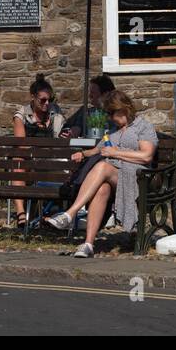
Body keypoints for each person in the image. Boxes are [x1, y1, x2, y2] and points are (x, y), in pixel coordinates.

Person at [43, 90, 158, 258]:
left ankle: (70, 213)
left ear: (123, 108)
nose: (110, 118)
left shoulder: (143, 126)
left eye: (111, 113)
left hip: (140, 178)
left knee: (103, 167)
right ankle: (88, 243)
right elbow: (98, 150)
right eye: (108, 114)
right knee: (102, 189)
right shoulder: (113, 130)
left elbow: (146, 156)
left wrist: (116, 153)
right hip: (116, 177)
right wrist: (83, 154)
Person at [11, 73, 70, 226]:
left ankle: (60, 214)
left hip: (51, 160)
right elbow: (21, 144)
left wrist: (66, 134)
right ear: (32, 97)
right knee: (18, 163)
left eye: (50, 100)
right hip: (31, 161)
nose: (46, 103)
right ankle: (21, 213)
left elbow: (61, 138)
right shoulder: (21, 115)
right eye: (42, 100)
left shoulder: (55, 112)